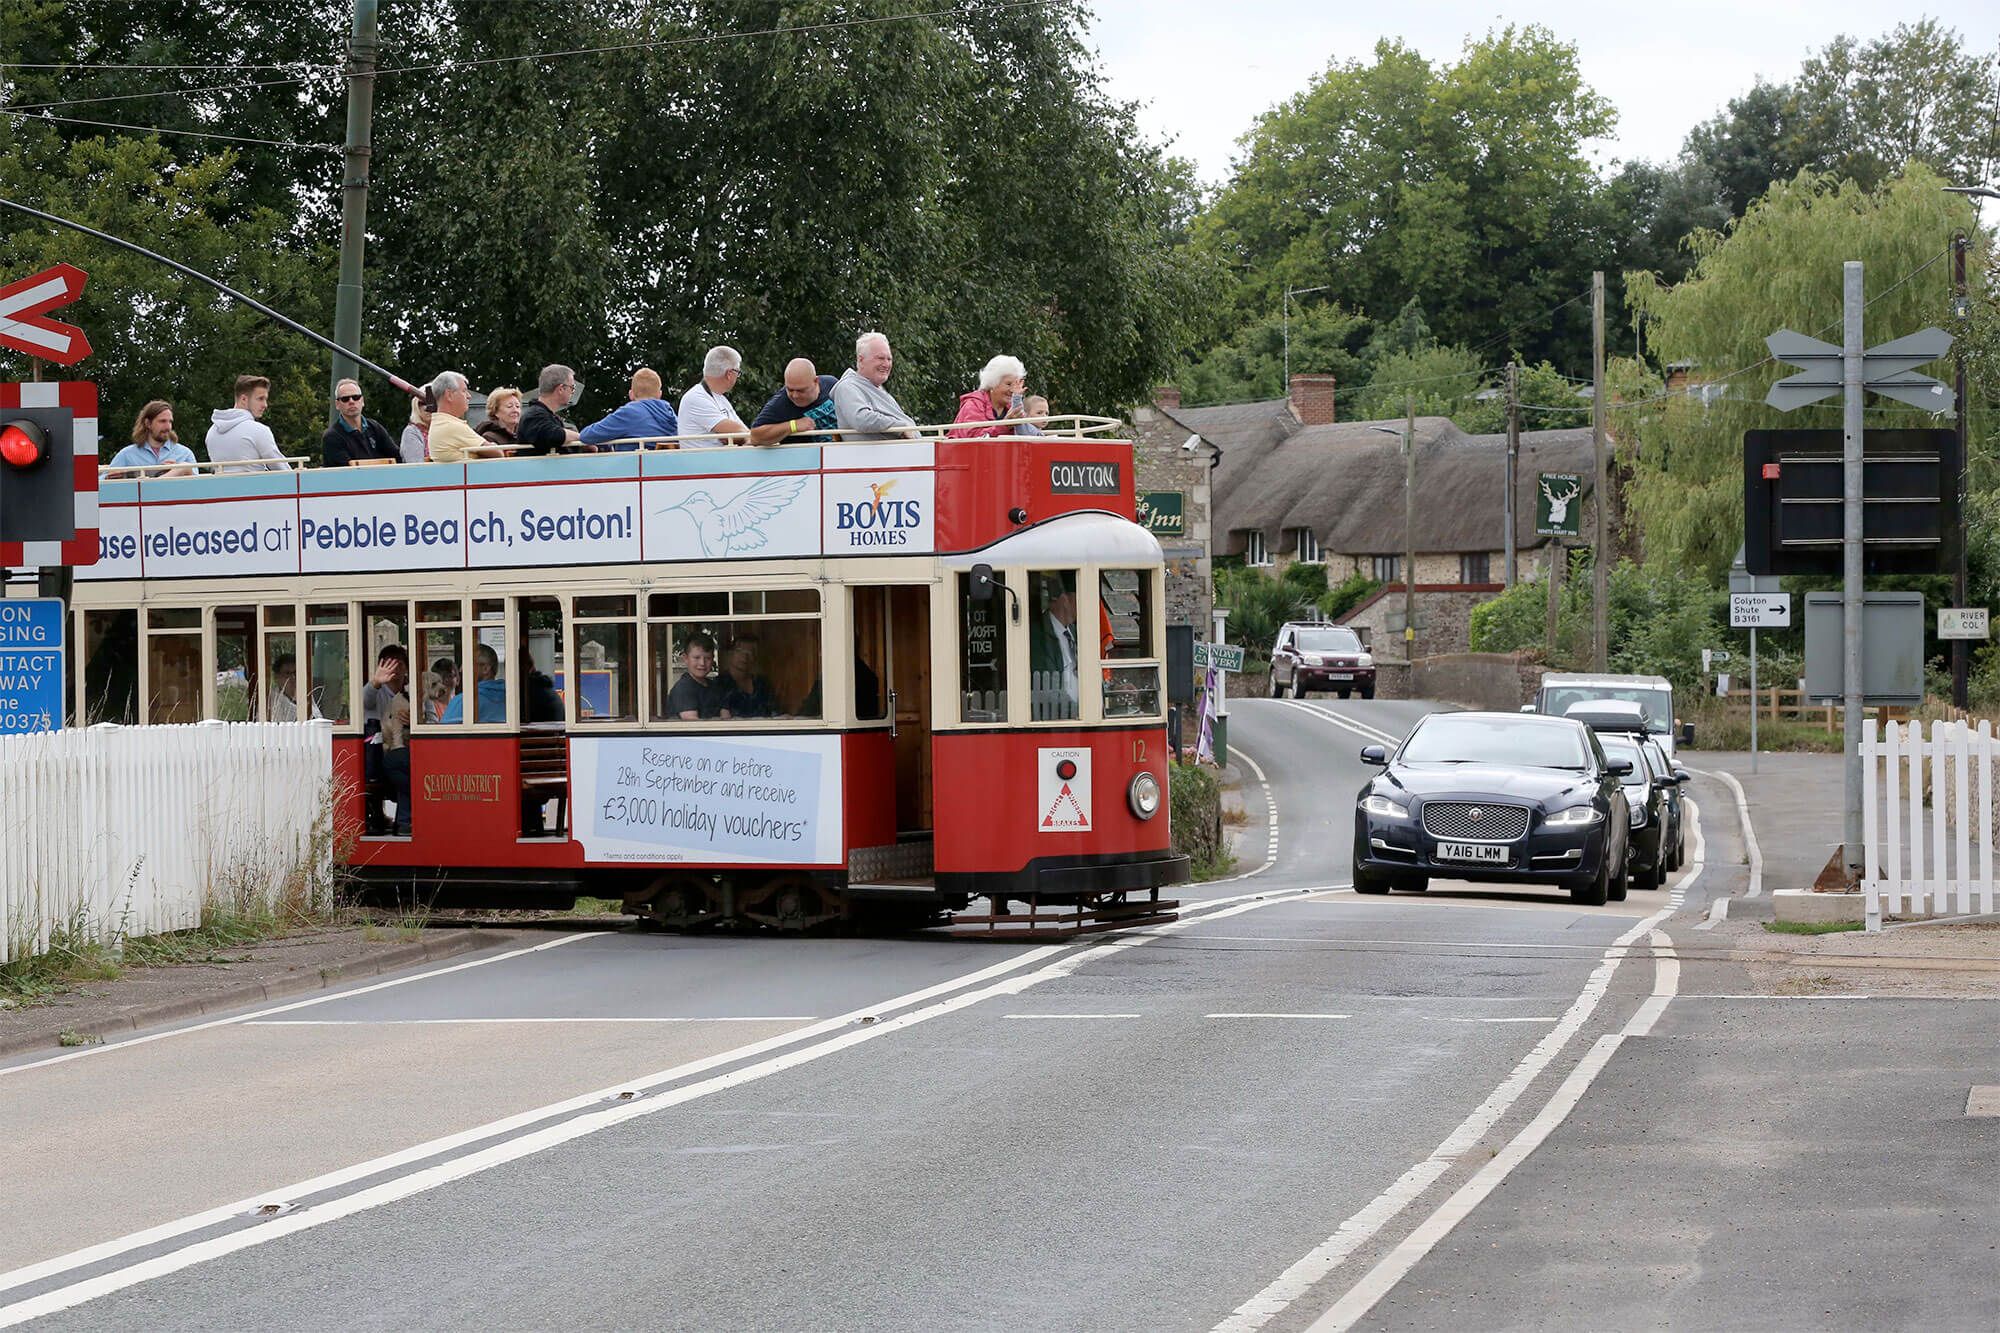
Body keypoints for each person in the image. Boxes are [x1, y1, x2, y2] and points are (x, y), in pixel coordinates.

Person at [362, 644, 411, 834]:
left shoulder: (414, 692)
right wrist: (376, 681)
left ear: (406, 667)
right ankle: (405, 821)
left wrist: (416, 721)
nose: (395, 670)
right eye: (389, 664)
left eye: (399, 664)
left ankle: (405, 820)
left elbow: (431, 721)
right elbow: (364, 700)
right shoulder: (376, 693)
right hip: (379, 753)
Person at [833, 332, 917, 441]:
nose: (886, 364)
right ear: (861, 360)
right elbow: (861, 419)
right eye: (880, 358)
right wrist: (900, 428)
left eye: (889, 359)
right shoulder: (848, 387)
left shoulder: (879, 390)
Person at [580, 367, 680, 449]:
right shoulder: (671, 415)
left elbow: (586, 436)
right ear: (660, 394)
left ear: (631, 394)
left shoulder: (629, 413)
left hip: (634, 470)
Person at [748, 358, 839, 445]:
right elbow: (755, 436)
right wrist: (793, 425)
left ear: (815, 381)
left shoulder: (831, 384)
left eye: (801, 390)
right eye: (790, 390)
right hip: (804, 458)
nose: (795, 396)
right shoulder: (780, 403)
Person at [207, 374, 287, 472]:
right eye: (260, 399)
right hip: (257, 486)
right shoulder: (259, 430)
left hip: (221, 487)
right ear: (244, 399)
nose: (265, 405)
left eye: (265, 399)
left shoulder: (211, 432)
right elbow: (282, 469)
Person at [423, 371, 501, 463]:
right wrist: (493, 445)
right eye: (464, 391)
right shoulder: (451, 426)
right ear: (449, 395)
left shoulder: (440, 423)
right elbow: (498, 453)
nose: (469, 396)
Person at [677, 346, 749, 446]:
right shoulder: (696, 398)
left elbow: (744, 433)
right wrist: (740, 435)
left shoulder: (719, 398)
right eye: (738, 372)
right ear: (729, 373)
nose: (738, 377)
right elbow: (740, 433)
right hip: (705, 461)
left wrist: (740, 435)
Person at [1028, 579, 1080, 715]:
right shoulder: (1037, 635)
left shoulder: (1075, 631)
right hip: (1058, 718)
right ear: (1064, 600)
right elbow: (1048, 687)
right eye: (1080, 596)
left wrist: (1112, 688)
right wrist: (1077, 710)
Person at [321, 379, 400, 467]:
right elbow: (346, 472)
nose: (351, 401)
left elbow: (397, 456)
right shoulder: (331, 437)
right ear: (337, 404)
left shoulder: (375, 427)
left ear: (362, 401)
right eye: (345, 399)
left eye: (356, 397)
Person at [947, 354, 1028, 439]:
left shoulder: (1013, 409)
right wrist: (1005, 426)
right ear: (992, 383)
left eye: (1017, 384)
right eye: (1008, 384)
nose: (1013, 390)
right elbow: (972, 437)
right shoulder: (973, 404)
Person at [107, 401, 196, 475]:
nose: (168, 427)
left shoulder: (185, 454)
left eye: (170, 422)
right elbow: (101, 482)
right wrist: (115, 476)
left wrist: (177, 471)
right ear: (148, 423)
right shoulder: (127, 455)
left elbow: (198, 486)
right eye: (162, 421)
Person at [517, 365, 585, 454]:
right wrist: (582, 438)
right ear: (561, 389)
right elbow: (553, 436)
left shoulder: (544, 415)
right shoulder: (534, 415)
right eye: (572, 388)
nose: (572, 392)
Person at [668, 631, 732, 719]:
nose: (702, 663)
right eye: (696, 658)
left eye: (708, 658)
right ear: (685, 658)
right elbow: (694, 727)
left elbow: (727, 720)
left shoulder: (716, 688)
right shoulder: (683, 689)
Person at [441, 643, 507, 723]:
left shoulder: (463, 701)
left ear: (485, 669)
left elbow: (443, 734)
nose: (461, 669)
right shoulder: (509, 698)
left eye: (467, 663)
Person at [720, 635, 777, 717]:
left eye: (751, 652)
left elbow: (775, 712)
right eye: (740, 651)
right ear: (730, 653)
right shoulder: (719, 684)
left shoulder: (761, 683)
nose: (744, 656)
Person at [401, 396, 432, 463]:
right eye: (422, 403)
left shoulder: (444, 430)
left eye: (432, 402)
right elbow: (417, 468)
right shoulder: (411, 432)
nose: (426, 407)